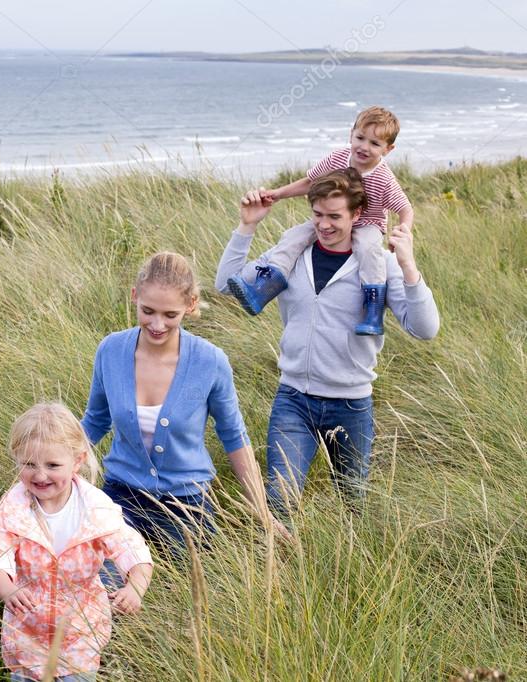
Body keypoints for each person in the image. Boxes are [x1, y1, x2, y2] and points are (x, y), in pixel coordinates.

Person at [215, 169, 439, 518]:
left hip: (351, 405)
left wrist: (408, 265)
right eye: (318, 214)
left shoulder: (379, 265)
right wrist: (247, 227)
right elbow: (226, 286)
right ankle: (282, 571)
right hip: (293, 400)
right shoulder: (288, 256)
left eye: (335, 216)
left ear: (356, 214)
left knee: (354, 506)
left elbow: (425, 328)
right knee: (280, 501)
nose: (324, 225)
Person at [80, 252, 288, 552]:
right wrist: (48, 468)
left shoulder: (210, 361)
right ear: (134, 296)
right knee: (106, 583)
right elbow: (95, 422)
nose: (156, 324)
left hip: (187, 503)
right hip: (121, 497)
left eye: (170, 315)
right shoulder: (110, 350)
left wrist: (264, 514)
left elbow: (234, 437)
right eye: (147, 310)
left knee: (193, 591)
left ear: (190, 306)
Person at [0, 402, 154, 682]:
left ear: (77, 461)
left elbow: (134, 553)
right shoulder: (13, 509)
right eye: (28, 464)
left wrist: (135, 588)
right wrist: (9, 592)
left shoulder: (96, 508)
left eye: (52, 465)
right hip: (26, 634)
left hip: (80, 636)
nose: (39, 475)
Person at [226, 106, 414, 336]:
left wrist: (403, 232)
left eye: (375, 144)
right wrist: (276, 193)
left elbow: (405, 207)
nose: (364, 147)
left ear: (388, 149)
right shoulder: (338, 158)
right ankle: (267, 285)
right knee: (293, 236)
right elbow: (310, 181)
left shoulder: (384, 178)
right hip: (331, 220)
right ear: (351, 134)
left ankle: (372, 309)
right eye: (360, 138)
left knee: (367, 249)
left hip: (367, 223)